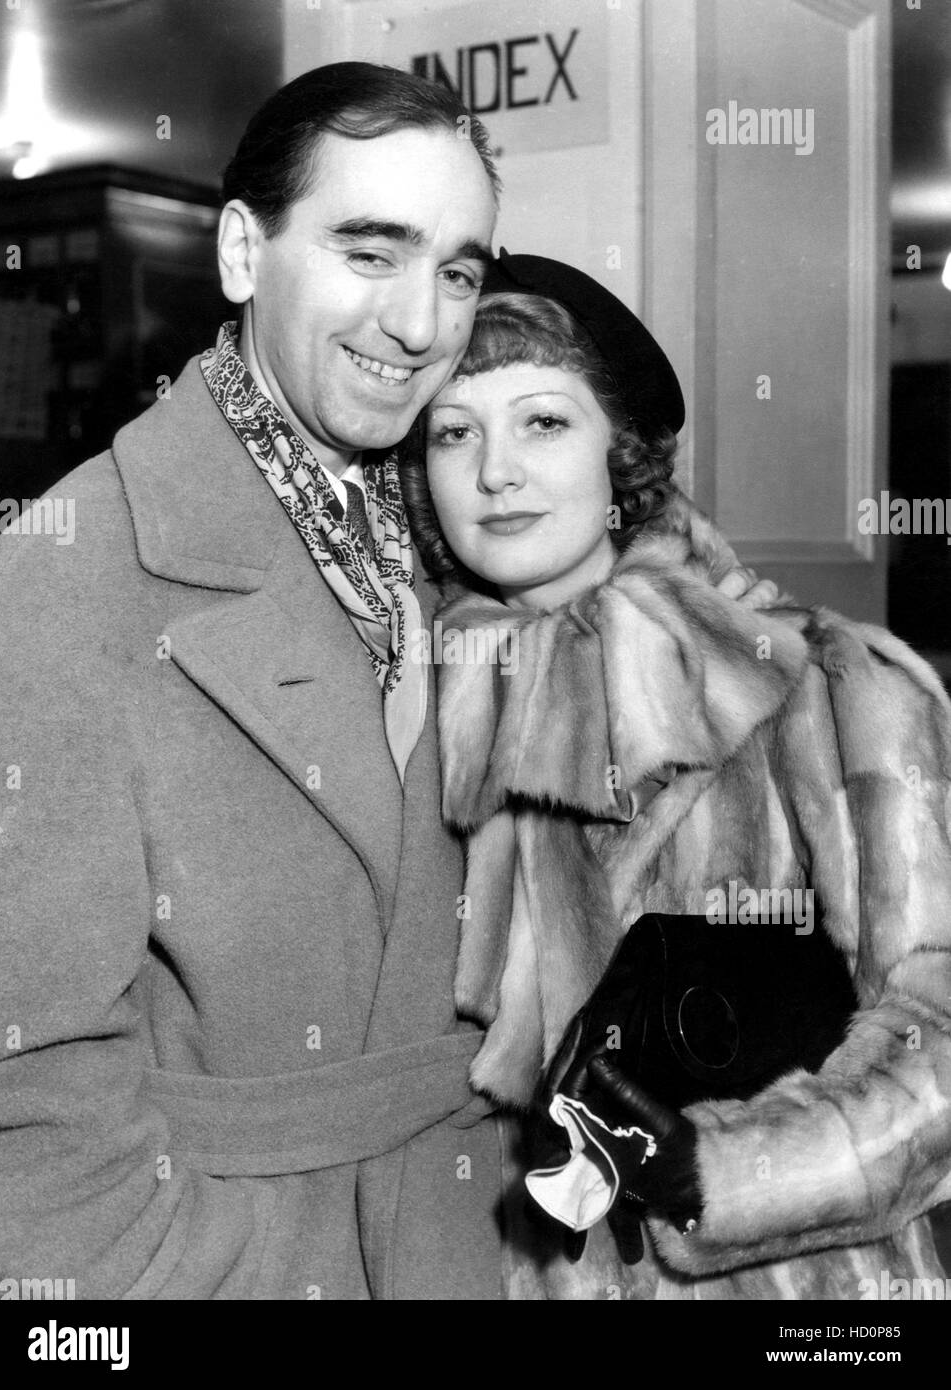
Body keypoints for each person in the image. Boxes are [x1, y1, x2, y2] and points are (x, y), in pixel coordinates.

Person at [0, 61, 507, 1301]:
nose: (421, 323)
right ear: (239, 253)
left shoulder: (452, 532)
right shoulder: (59, 580)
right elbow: (22, 1107)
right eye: (369, 253)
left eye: (459, 271)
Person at [400, 251, 951, 1299]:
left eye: (544, 422)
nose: (495, 472)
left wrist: (716, 1169)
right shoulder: (422, 715)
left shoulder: (828, 686)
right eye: (453, 432)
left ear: (624, 452)